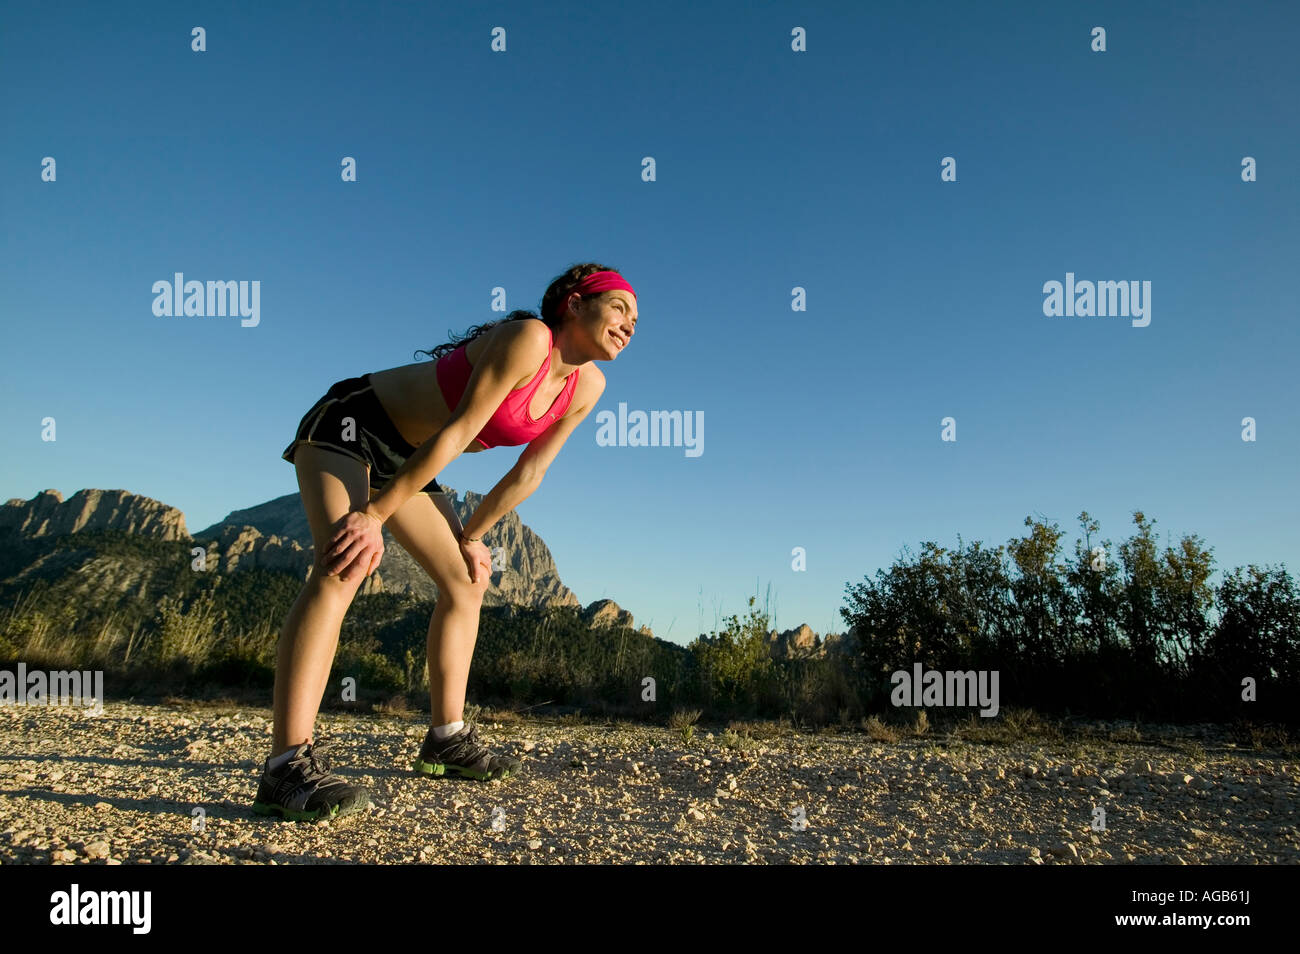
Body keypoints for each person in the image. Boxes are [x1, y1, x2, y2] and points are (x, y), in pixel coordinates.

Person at [252, 263, 637, 822]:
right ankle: (285, 766)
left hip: (410, 460)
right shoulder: (530, 339)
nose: (630, 324)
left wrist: (472, 535)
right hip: (354, 425)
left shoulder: (589, 385)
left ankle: (446, 739)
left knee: (465, 579)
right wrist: (374, 516)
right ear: (575, 303)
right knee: (344, 563)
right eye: (620, 308)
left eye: (637, 318)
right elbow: (457, 432)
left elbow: (531, 473)